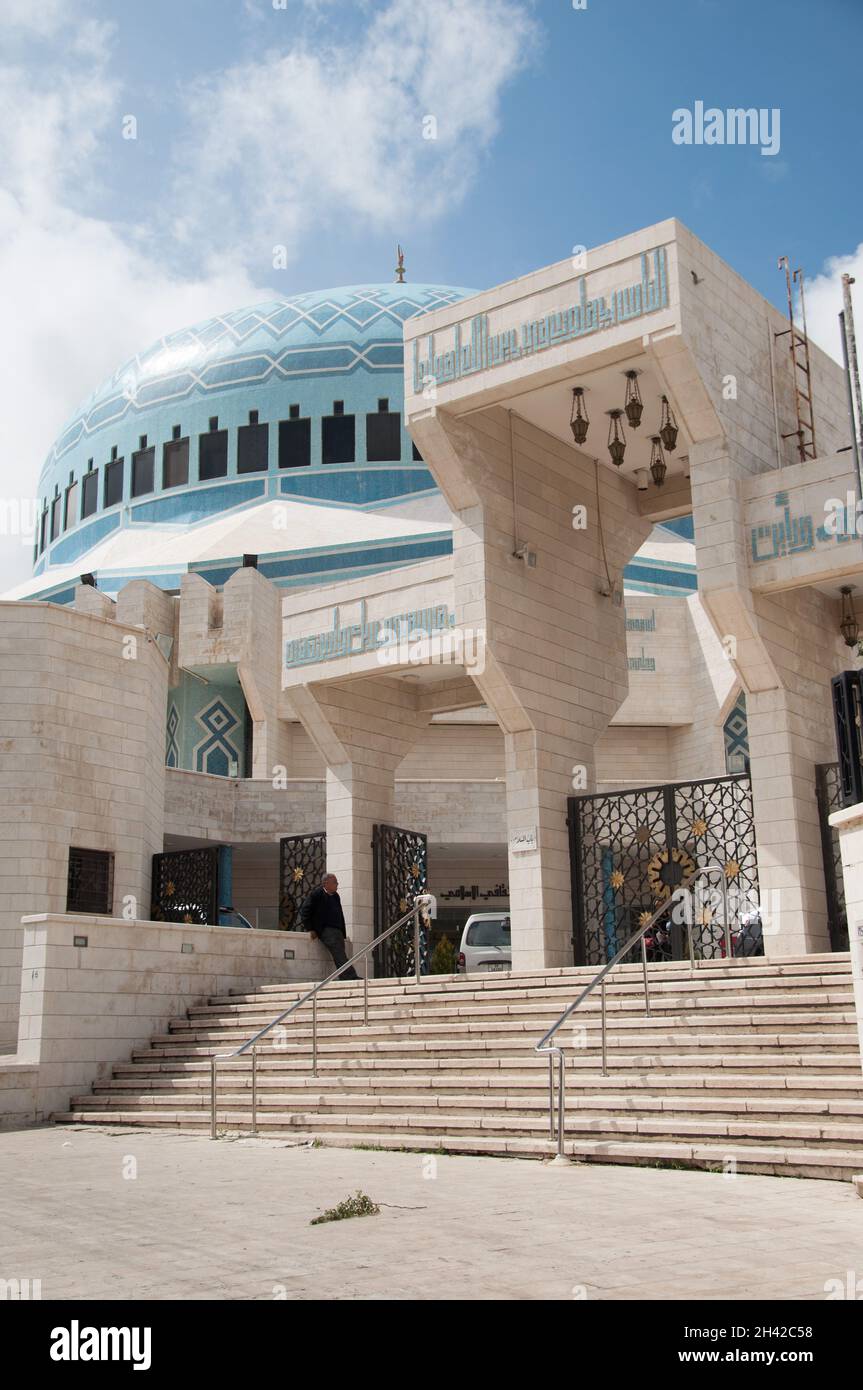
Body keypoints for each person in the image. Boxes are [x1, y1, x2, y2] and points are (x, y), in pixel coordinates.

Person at [299, 873, 359, 980]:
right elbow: (305, 911)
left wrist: (343, 932)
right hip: (326, 930)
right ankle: (351, 976)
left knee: (340, 954)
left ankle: (344, 976)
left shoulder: (336, 896)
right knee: (339, 953)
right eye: (335, 882)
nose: (337, 885)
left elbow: (340, 915)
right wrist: (310, 928)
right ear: (326, 883)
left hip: (338, 931)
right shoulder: (317, 894)